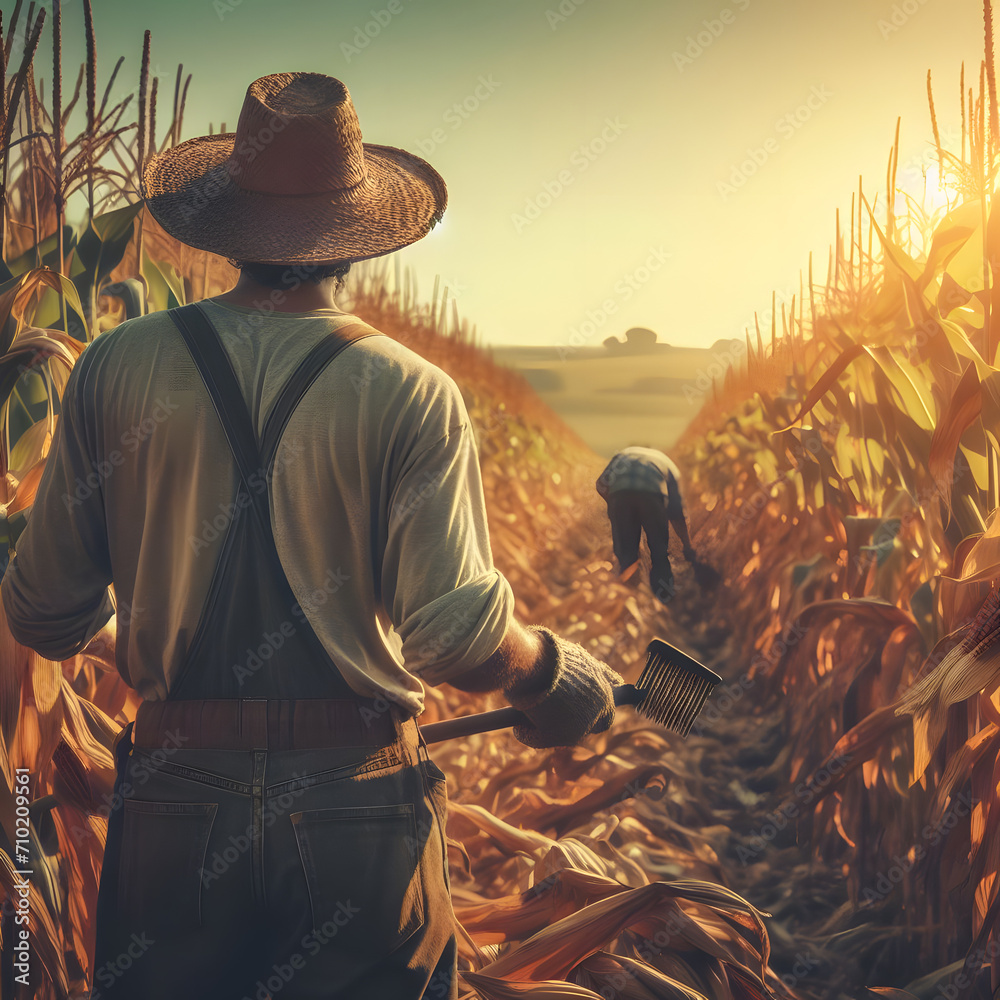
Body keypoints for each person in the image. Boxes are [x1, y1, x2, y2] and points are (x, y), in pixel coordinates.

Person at [0, 73, 623, 1000]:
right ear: (357, 234)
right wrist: (550, 673)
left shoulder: (112, 371)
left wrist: (127, 642)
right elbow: (453, 636)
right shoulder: (410, 390)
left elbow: (42, 610)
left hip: (174, 804)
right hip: (356, 809)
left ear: (229, 226)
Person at [596, 445, 699, 603]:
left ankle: (628, 600)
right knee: (659, 552)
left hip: (620, 496)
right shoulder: (667, 463)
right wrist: (687, 545)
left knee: (626, 554)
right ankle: (664, 599)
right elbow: (676, 512)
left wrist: (614, 506)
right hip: (653, 496)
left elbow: (601, 485)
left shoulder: (623, 455)